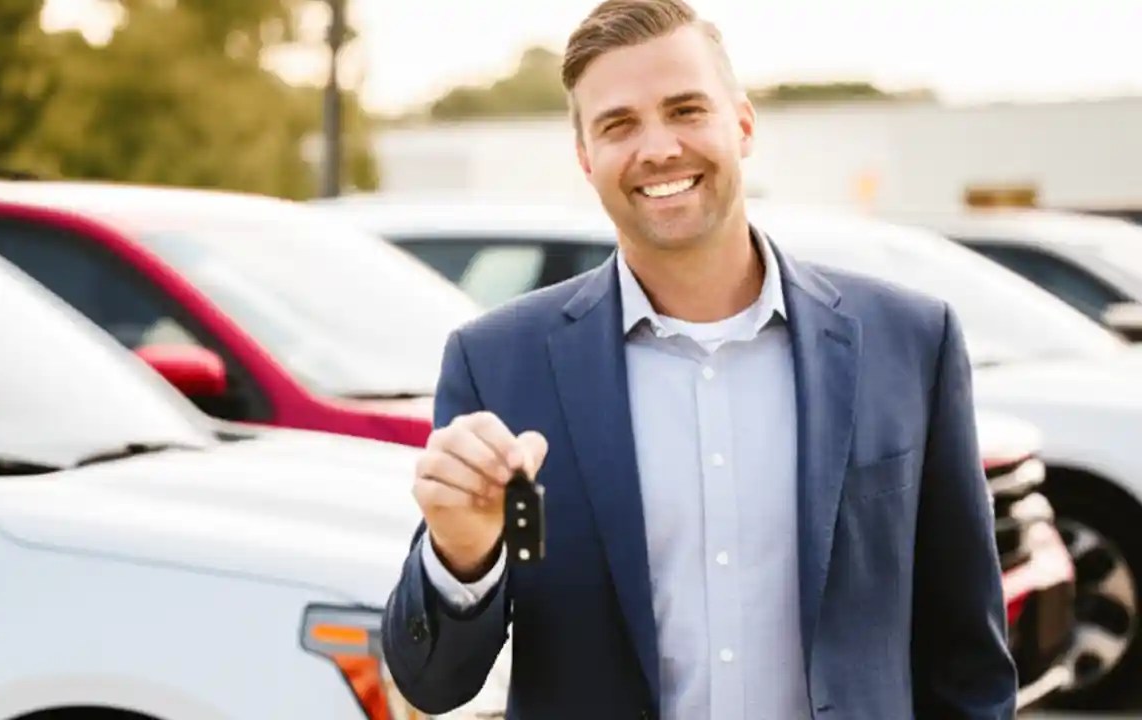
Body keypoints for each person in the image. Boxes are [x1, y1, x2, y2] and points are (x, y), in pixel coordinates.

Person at [380, 0, 1018, 717]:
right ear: (586, 158)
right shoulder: (500, 365)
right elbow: (432, 684)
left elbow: (967, 659)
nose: (658, 149)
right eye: (619, 124)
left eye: (686, 110)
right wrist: (463, 555)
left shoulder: (908, 342)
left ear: (742, 125)